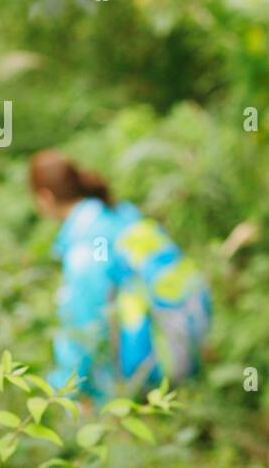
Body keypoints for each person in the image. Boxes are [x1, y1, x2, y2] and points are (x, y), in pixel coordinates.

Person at [30, 150, 211, 402]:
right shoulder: (119, 214)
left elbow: (85, 333)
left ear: (45, 198)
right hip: (176, 349)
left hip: (138, 379)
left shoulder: (86, 249)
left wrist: (59, 394)